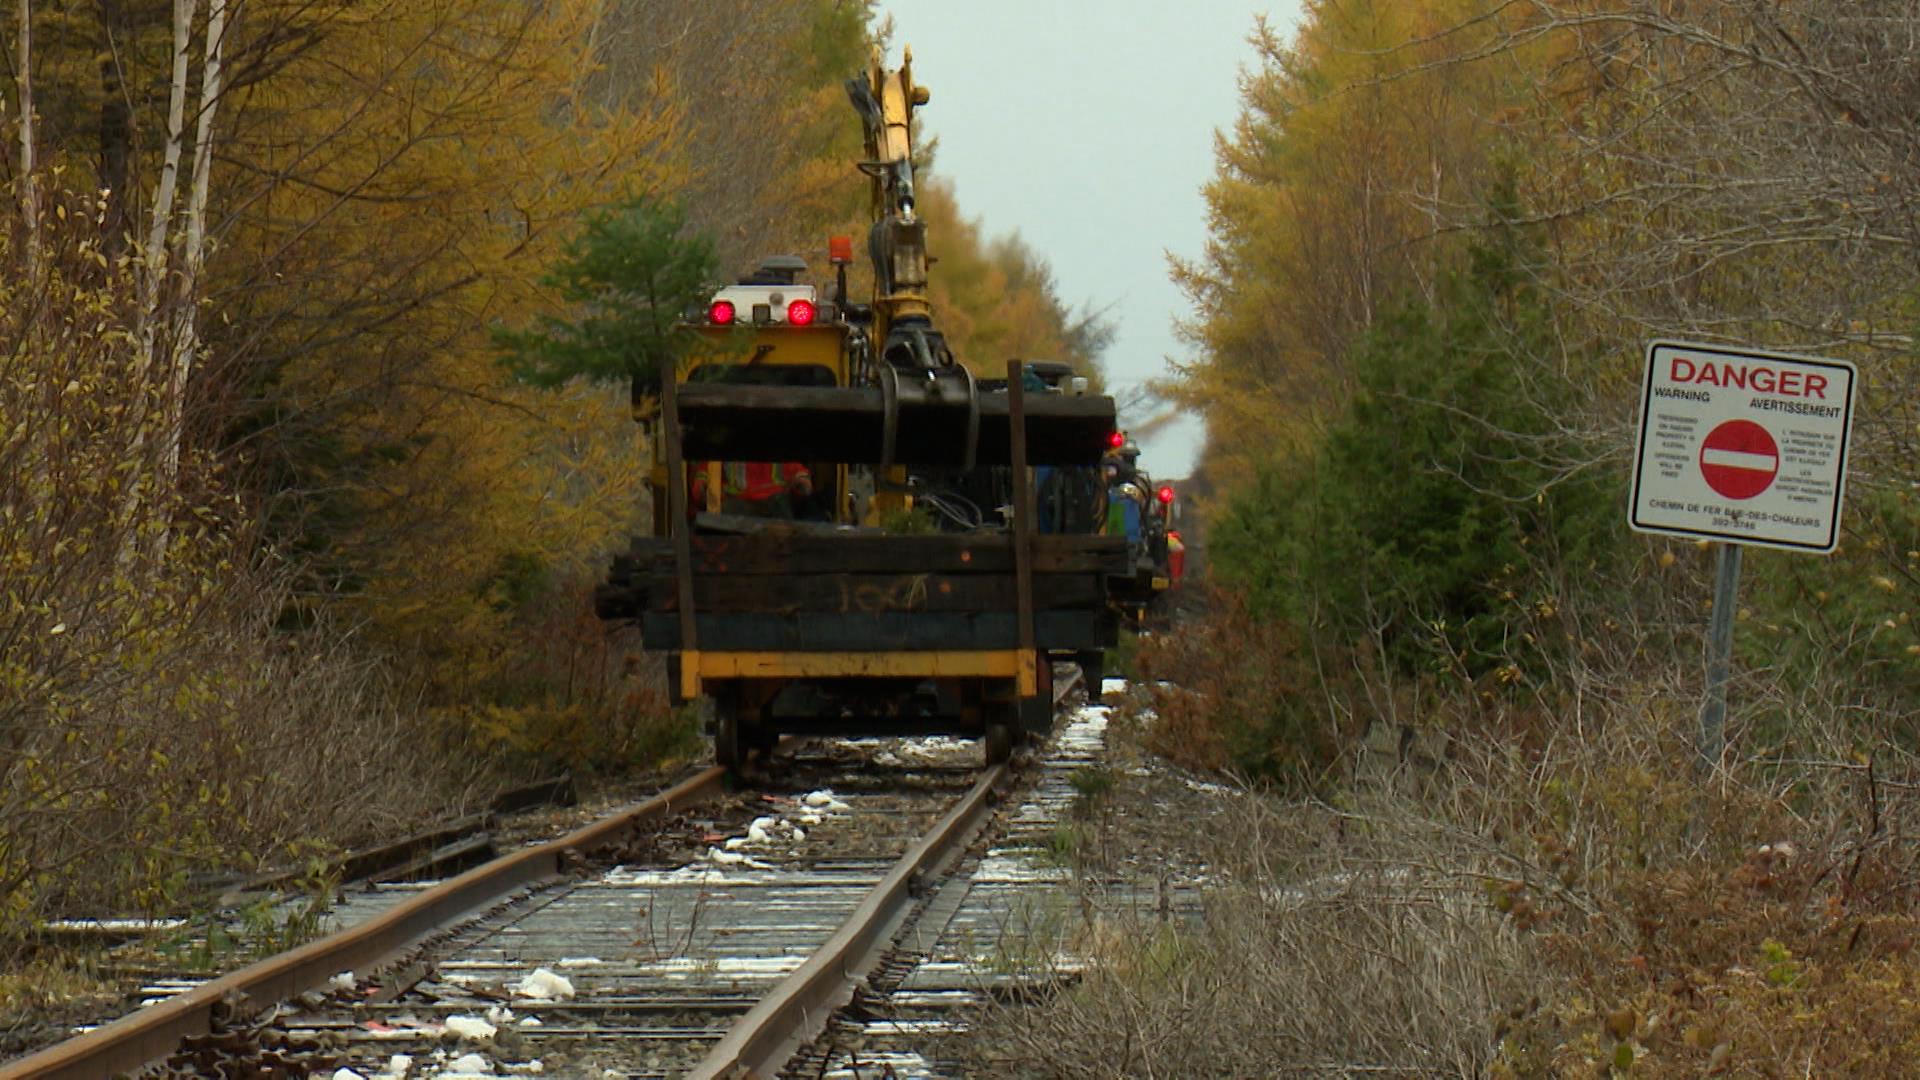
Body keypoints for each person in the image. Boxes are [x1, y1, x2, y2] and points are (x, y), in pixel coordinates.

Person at [691, 460, 813, 519]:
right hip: (735, 504)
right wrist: (702, 488)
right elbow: (703, 476)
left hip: (774, 504)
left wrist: (801, 483)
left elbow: (800, 476)